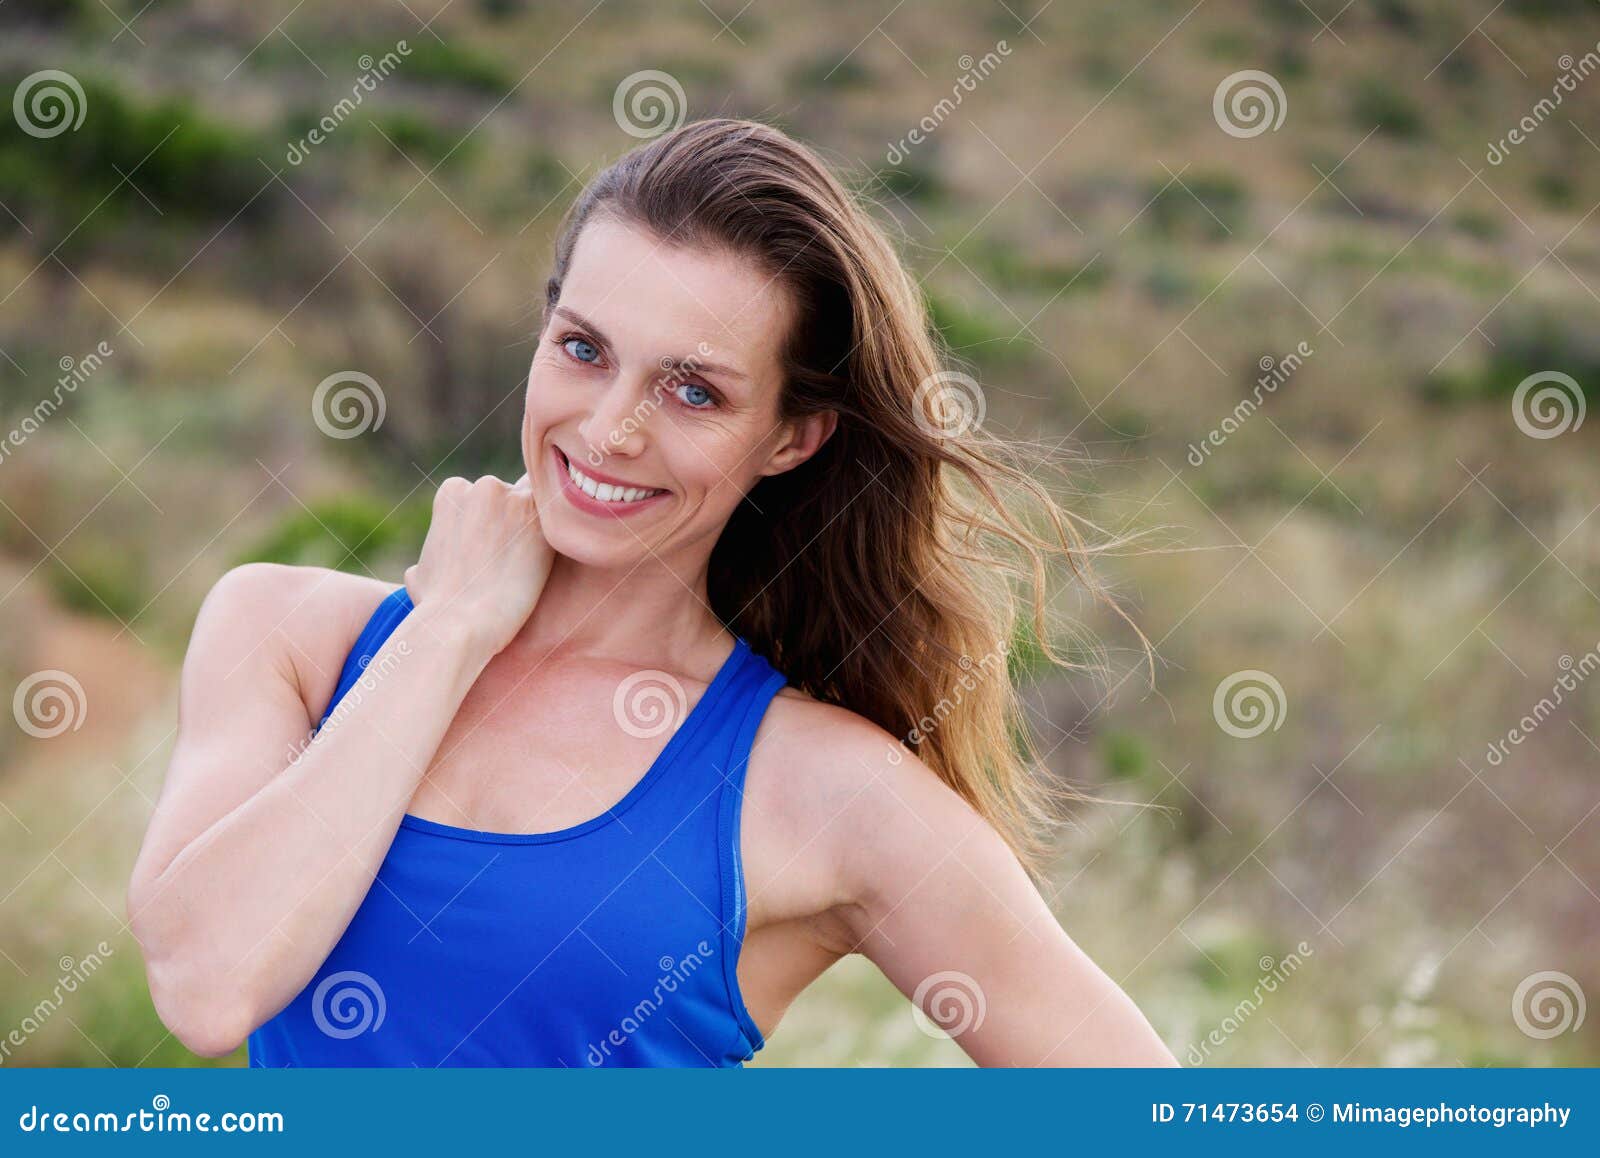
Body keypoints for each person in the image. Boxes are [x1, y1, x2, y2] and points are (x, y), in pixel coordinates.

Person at [127, 118, 1175, 1067]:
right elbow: (207, 984)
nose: (611, 428)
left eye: (693, 390)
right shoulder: (286, 634)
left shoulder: (829, 792)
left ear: (791, 438)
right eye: (583, 350)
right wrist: (447, 631)